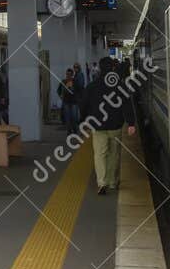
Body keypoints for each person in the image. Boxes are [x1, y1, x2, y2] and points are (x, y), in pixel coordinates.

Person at [78, 56, 136, 196]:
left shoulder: (92, 86)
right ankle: (112, 182)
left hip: (97, 126)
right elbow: (127, 104)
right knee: (114, 153)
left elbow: (83, 105)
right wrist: (131, 123)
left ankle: (102, 182)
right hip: (115, 125)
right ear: (113, 68)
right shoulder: (119, 85)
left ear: (99, 68)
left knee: (100, 153)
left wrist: (84, 120)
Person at [58, 67, 80, 133]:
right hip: (66, 102)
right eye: (67, 74)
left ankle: (75, 129)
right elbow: (59, 90)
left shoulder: (75, 81)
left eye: (70, 74)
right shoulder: (63, 82)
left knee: (74, 117)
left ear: (72, 75)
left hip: (74, 102)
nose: (68, 76)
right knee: (67, 117)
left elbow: (79, 90)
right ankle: (69, 130)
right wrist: (61, 96)